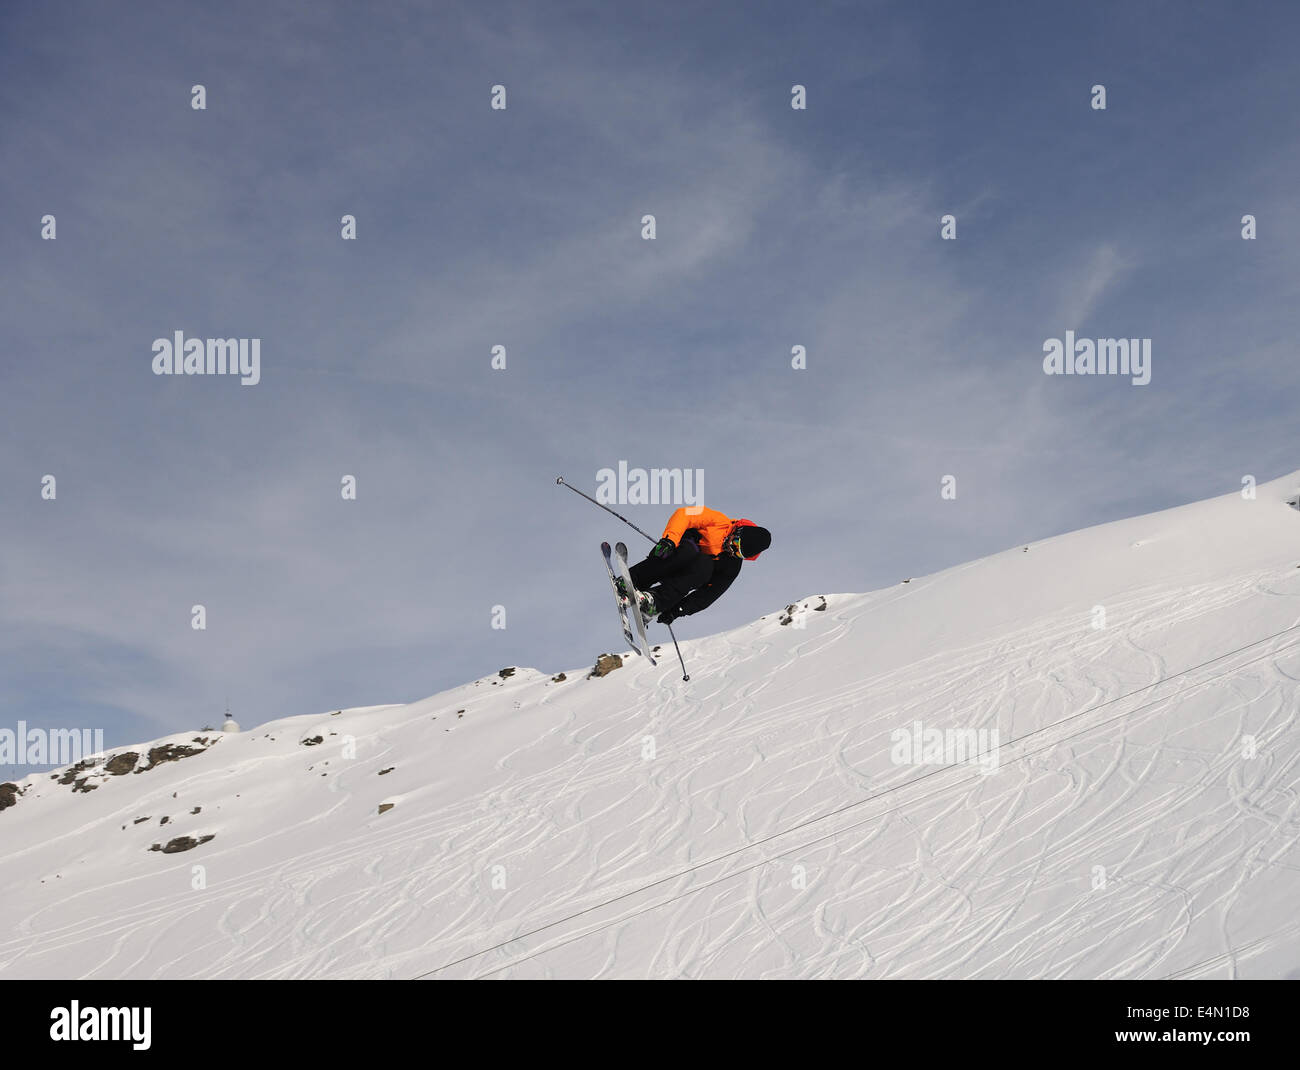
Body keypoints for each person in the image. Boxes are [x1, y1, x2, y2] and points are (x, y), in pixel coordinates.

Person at [619, 506, 771, 625]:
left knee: (704, 568)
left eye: (739, 554)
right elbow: (684, 514)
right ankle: (633, 580)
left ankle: (654, 602)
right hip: (672, 554)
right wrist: (670, 539)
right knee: (689, 551)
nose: (732, 551)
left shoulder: (731, 567)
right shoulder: (719, 521)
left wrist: (676, 611)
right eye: (735, 544)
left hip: (685, 579)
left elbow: (708, 596)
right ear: (737, 532)